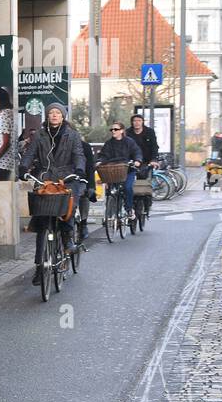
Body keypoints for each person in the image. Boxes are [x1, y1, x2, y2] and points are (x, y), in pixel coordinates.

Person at [19, 102, 86, 285]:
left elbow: (79, 154)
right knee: (42, 223)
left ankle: (67, 239)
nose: (54, 115)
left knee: (69, 206)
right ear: (47, 116)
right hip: (45, 177)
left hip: (66, 177)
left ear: (63, 116)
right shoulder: (40, 135)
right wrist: (23, 167)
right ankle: (40, 268)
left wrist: (79, 170)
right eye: (51, 113)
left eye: (58, 112)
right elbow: (29, 153)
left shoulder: (72, 135)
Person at [99, 122, 144, 219]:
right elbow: (103, 155)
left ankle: (129, 209)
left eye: (116, 129)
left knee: (128, 188)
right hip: (113, 171)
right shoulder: (109, 143)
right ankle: (111, 213)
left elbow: (136, 151)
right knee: (110, 191)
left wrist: (137, 160)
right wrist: (99, 161)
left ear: (122, 131)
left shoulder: (129, 142)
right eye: (112, 130)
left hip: (128, 170)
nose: (113, 131)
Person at [78, 135, 96, 246]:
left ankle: (83, 223)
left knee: (84, 195)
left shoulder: (84, 147)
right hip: (62, 178)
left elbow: (90, 167)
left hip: (80, 178)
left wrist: (91, 186)